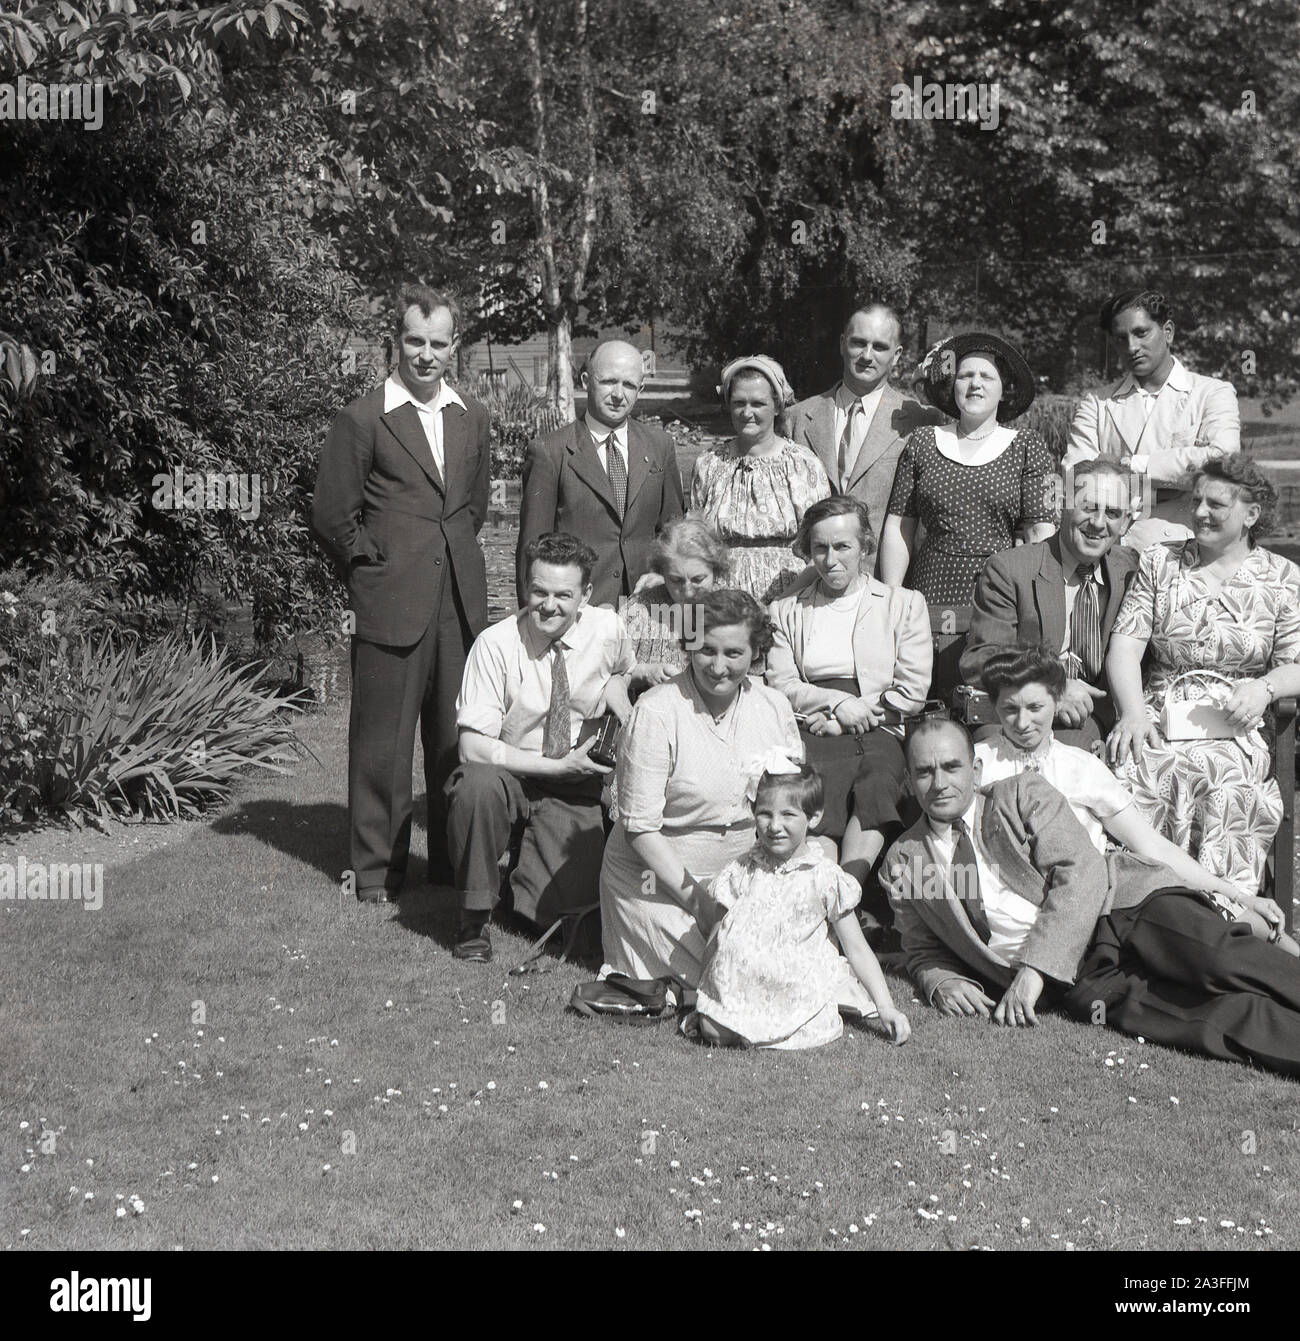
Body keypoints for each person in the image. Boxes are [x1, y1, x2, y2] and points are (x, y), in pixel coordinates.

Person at [885, 718, 1300, 1076]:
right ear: (910, 777)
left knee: (1222, 959)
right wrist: (939, 980)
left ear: (975, 771)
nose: (939, 783)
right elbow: (920, 946)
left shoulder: (1021, 794)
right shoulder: (905, 860)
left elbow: (1080, 871)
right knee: (1203, 1022)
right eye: (924, 772)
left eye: (951, 767)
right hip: (1083, 982)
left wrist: (1035, 969)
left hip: (1125, 907)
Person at [312, 284, 490, 901]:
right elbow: (333, 517)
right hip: (390, 603)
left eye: (438, 343)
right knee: (382, 742)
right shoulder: (364, 417)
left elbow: (472, 507)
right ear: (397, 340)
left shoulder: (473, 416)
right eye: (414, 340)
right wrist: (375, 569)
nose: (425, 354)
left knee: (455, 738)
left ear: (454, 347)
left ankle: (449, 864)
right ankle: (375, 871)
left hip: (459, 606)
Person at [975, 644, 1297, 953]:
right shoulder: (978, 765)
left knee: (1212, 917)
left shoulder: (1080, 767)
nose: (1022, 722)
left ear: (1057, 701)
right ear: (994, 707)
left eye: (1035, 708)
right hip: (1021, 907)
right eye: (1009, 709)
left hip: (1099, 899)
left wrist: (1239, 895)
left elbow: (1152, 845)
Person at [1106, 456, 1300, 898]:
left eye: (1216, 504)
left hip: (1235, 726)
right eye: (1196, 501)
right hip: (1158, 716)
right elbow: (1126, 646)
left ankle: (1225, 916)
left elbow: (1297, 662)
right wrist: (1133, 712)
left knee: (1232, 789)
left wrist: (1264, 687)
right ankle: (1145, 911)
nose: (1198, 513)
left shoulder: (1283, 579)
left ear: (1251, 515)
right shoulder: (1161, 562)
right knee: (1140, 773)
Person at [444, 532, 634, 963]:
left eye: (563, 595)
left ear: (585, 595)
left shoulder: (608, 629)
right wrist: (557, 766)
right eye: (538, 591)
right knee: (475, 786)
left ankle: (519, 887)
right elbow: (472, 748)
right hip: (508, 775)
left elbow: (627, 669)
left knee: (570, 922)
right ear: (525, 587)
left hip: (573, 787)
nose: (549, 606)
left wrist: (618, 683)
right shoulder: (495, 645)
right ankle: (472, 919)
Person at [599, 588, 803, 989]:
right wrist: (705, 907)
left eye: (734, 654)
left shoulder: (775, 707)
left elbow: (791, 803)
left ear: (755, 652)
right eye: (707, 650)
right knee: (733, 970)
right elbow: (639, 829)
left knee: (785, 954)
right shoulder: (656, 712)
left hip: (748, 871)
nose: (718, 667)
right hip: (658, 881)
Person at [766, 495, 931, 915]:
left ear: (865, 547)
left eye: (842, 547)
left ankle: (842, 898)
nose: (830, 559)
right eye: (819, 548)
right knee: (823, 780)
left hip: (881, 725)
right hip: (814, 724)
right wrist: (837, 704)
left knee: (878, 777)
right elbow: (782, 682)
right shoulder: (786, 611)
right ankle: (820, 900)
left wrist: (853, 715)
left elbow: (911, 690)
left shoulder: (902, 604)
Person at [686, 765, 911, 1050]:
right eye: (765, 814)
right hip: (743, 985)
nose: (774, 826)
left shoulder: (824, 877)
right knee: (713, 1031)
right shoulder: (741, 870)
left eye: (788, 815)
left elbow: (856, 947)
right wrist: (705, 996)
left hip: (796, 989)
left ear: (813, 817)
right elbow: (718, 935)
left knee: (795, 1030)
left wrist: (886, 1006)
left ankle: (790, 1021)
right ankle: (732, 1018)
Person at [959, 455, 1141, 750]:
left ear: (1126, 523)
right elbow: (983, 660)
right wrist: (1051, 689)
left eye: (1112, 513)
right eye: (1088, 507)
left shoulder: (1132, 570)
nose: (1098, 523)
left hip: (1091, 720)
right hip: (1015, 716)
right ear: (1061, 507)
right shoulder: (1010, 569)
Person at [879, 331, 1057, 605]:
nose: (975, 384)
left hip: (1001, 590)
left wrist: (1039, 603)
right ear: (953, 385)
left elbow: (1040, 532)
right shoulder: (923, 442)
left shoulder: (1025, 446)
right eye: (965, 376)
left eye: (987, 377)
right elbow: (900, 525)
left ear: (1003, 389)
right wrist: (892, 593)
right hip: (929, 587)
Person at [1064, 287, 1241, 550]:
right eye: (1121, 338)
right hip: (1109, 551)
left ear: (1167, 331)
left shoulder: (1212, 393)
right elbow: (1076, 479)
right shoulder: (1097, 402)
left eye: (1141, 333)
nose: (1132, 347)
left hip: (1185, 548)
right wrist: (1168, 490)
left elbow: (1222, 463)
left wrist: (1132, 464)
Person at [516, 339, 684, 609]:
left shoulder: (659, 446)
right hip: (578, 610)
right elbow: (532, 549)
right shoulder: (550, 451)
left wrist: (664, 578)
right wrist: (535, 622)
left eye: (629, 385)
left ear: (640, 389)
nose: (618, 394)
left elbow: (675, 532)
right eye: (608, 382)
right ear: (585, 381)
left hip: (649, 608)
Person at [785, 304, 944, 565]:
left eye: (880, 347)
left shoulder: (922, 421)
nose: (867, 355)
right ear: (842, 344)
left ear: (896, 355)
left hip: (884, 580)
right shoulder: (798, 417)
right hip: (812, 577)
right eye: (859, 343)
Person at [689, 355, 831, 602]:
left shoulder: (802, 464)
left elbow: (820, 546)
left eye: (758, 403)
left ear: (777, 406)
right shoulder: (709, 463)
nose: (747, 413)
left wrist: (782, 605)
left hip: (791, 599)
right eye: (738, 403)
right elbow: (693, 542)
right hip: (721, 602)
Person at [623, 517, 730, 691]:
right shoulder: (639, 610)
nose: (687, 591)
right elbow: (607, 675)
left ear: (716, 570)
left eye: (698, 580)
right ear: (661, 572)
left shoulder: (735, 610)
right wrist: (645, 672)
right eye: (676, 580)